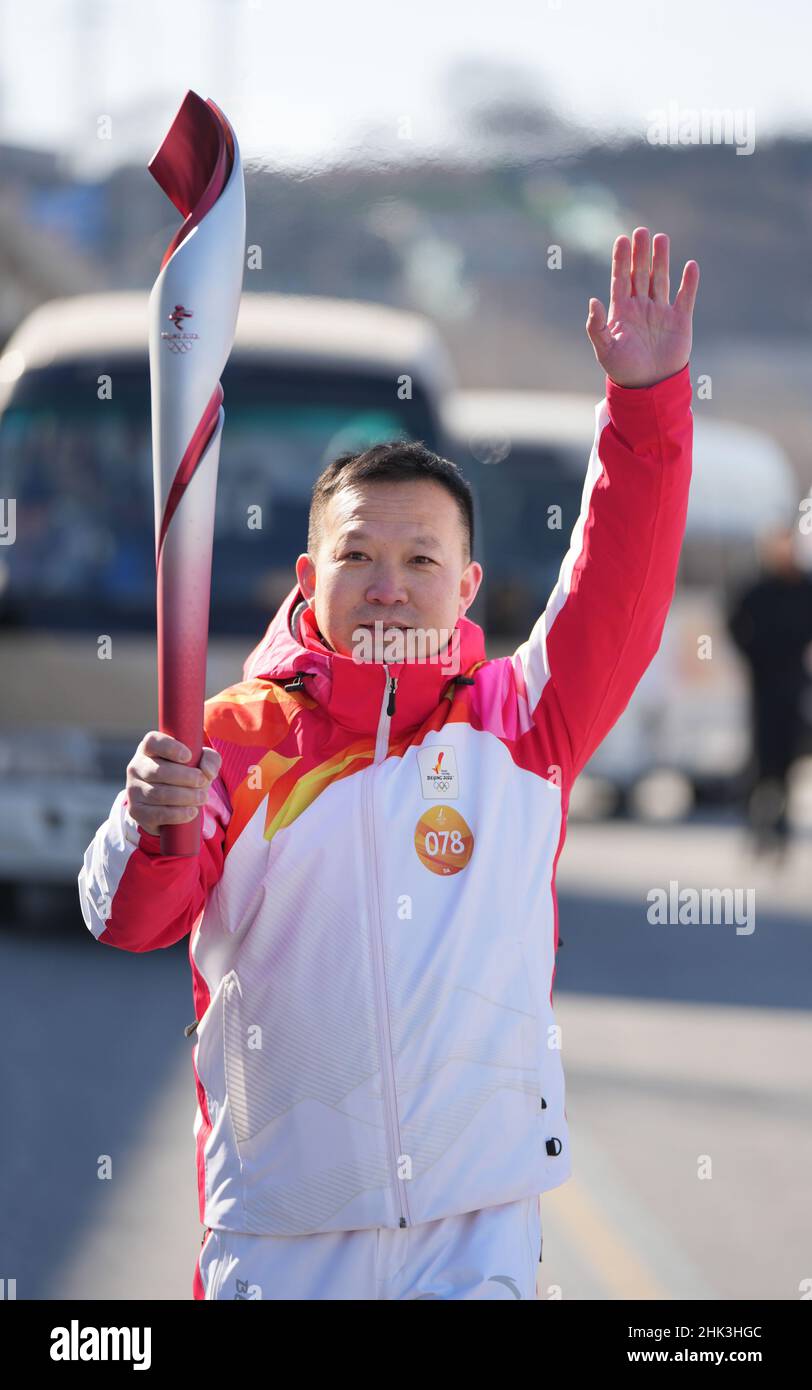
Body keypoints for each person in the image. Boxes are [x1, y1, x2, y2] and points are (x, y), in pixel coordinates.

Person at [78, 227, 699, 1300]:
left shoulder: (521, 725)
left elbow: (621, 587)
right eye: (358, 554)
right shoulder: (233, 734)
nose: (387, 584)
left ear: (466, 587)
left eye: (421, 558)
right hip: (280, 1230)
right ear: (308, 574)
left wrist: (644, 406)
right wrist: (147, 822)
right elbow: (134, 920)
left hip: (472, 1228)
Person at [727, 525, 812, 861]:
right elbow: (734, 623)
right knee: (762, 763)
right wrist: (753, 657)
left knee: (788, 762)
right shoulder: (758, 588)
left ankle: (781, 832)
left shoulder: (804, 587)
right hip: (764, 689)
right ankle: (758, 830)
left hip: (795, 687)